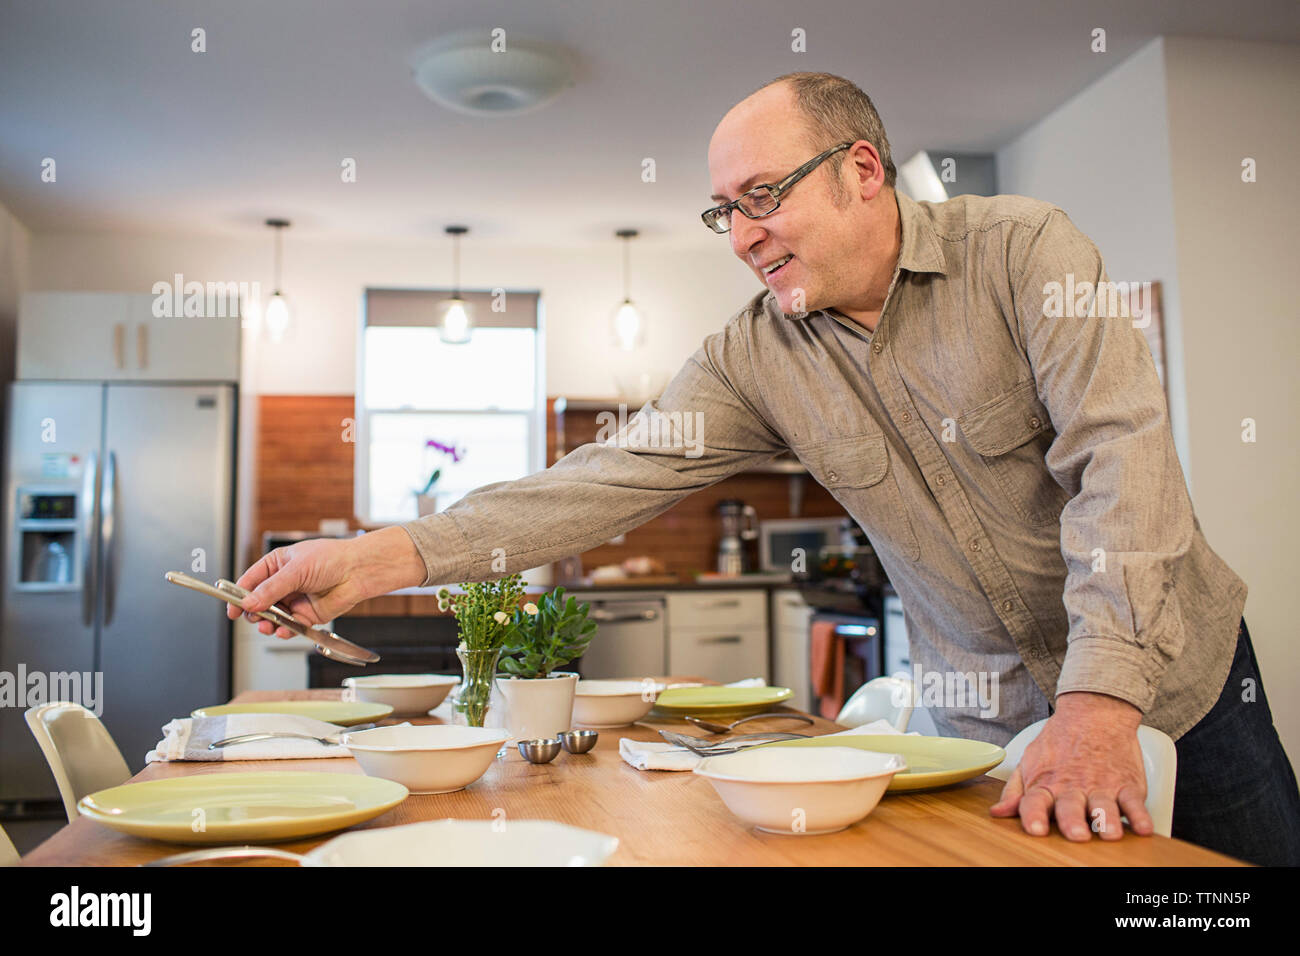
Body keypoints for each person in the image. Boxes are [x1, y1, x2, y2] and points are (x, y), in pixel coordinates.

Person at [227, 72, 1299, 865]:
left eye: (760, 197)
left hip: (1179, 683)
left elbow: (1122, 461)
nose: (739, 235)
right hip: (986, 718)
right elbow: (605, 475)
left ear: (862, 172)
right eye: (722, 211)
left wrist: (1102, 702)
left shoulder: (1024, 254)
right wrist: (379, 556)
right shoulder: (756, 355)